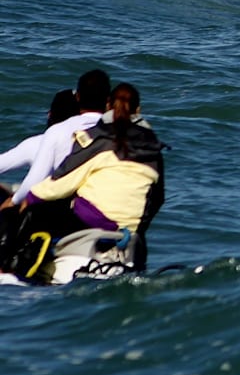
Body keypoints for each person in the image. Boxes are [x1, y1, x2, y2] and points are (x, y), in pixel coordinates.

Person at [1, 82, 166, 281]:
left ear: (108, 105)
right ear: (138, 109)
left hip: (91, 219)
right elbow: (156, 198)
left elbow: (63, 182)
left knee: (32, 213)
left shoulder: (98, 139)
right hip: (130, 231)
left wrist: (31, 198)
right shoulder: (153, 148)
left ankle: (7, 268)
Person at [0, 68, 111, 211]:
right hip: (107, 210)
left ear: (79, 97)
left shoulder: (53, 134)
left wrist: (14, 201)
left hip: (60, 210)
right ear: (108, 101)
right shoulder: (120, 131)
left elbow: (35, 181)